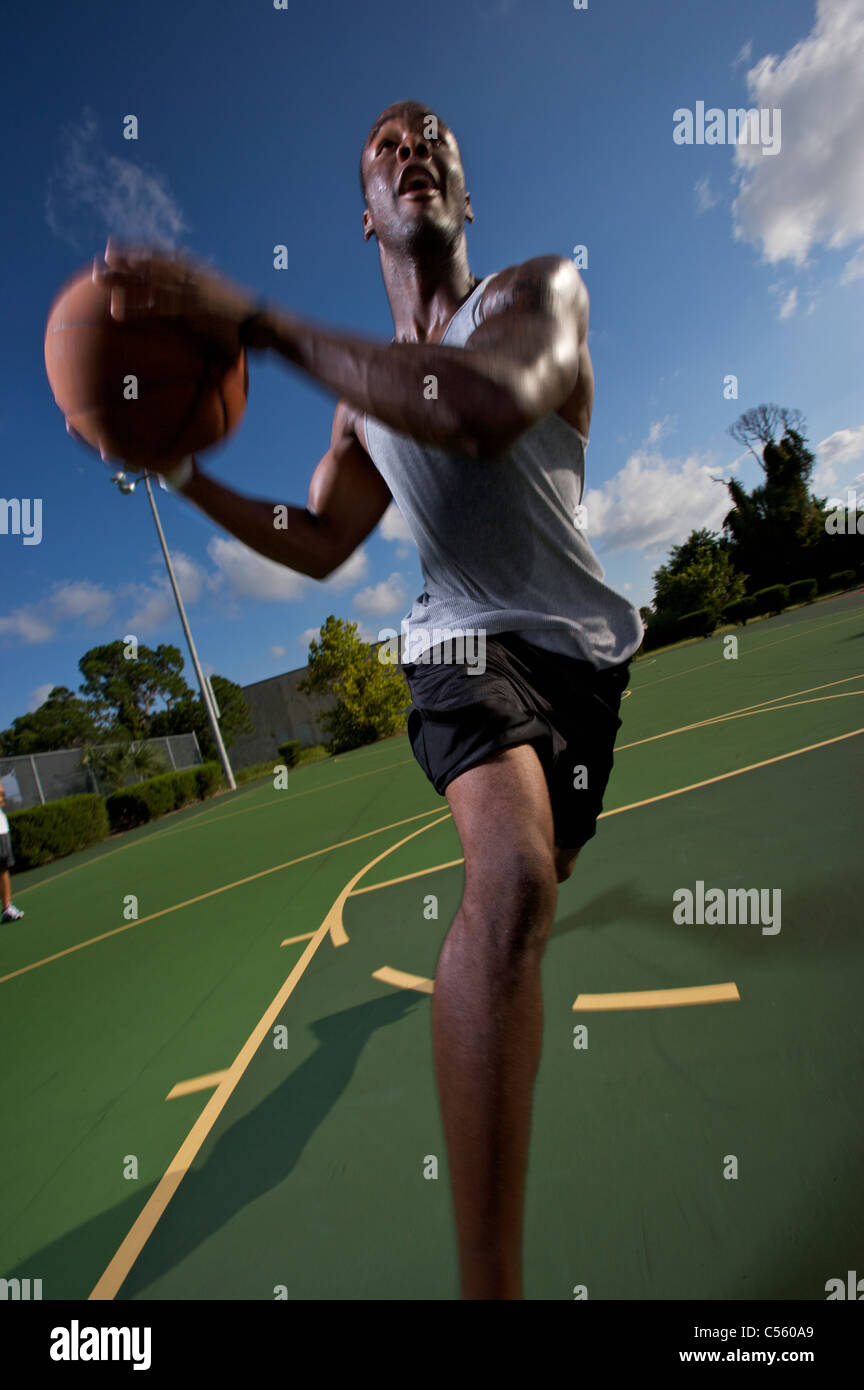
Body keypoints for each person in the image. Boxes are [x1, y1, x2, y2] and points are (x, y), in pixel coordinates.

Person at [94, 99, 643, 1300]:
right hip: (458, 647)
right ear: (366, 214)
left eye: (434, 135)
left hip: (583, 659)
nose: (416, 149)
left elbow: (483, 408)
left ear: (464, 187)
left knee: (534, 887)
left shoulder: (539, 294)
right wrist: (183, 473)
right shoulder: (363, 398)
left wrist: (261, 324)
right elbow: (321, 538)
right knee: (508, 883)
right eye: (388, 145)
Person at [0, 782, 24, 922]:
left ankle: (7, 908)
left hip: (2, 829)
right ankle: (7, 907)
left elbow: (2, 796)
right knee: (3, 870)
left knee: (3, 869)